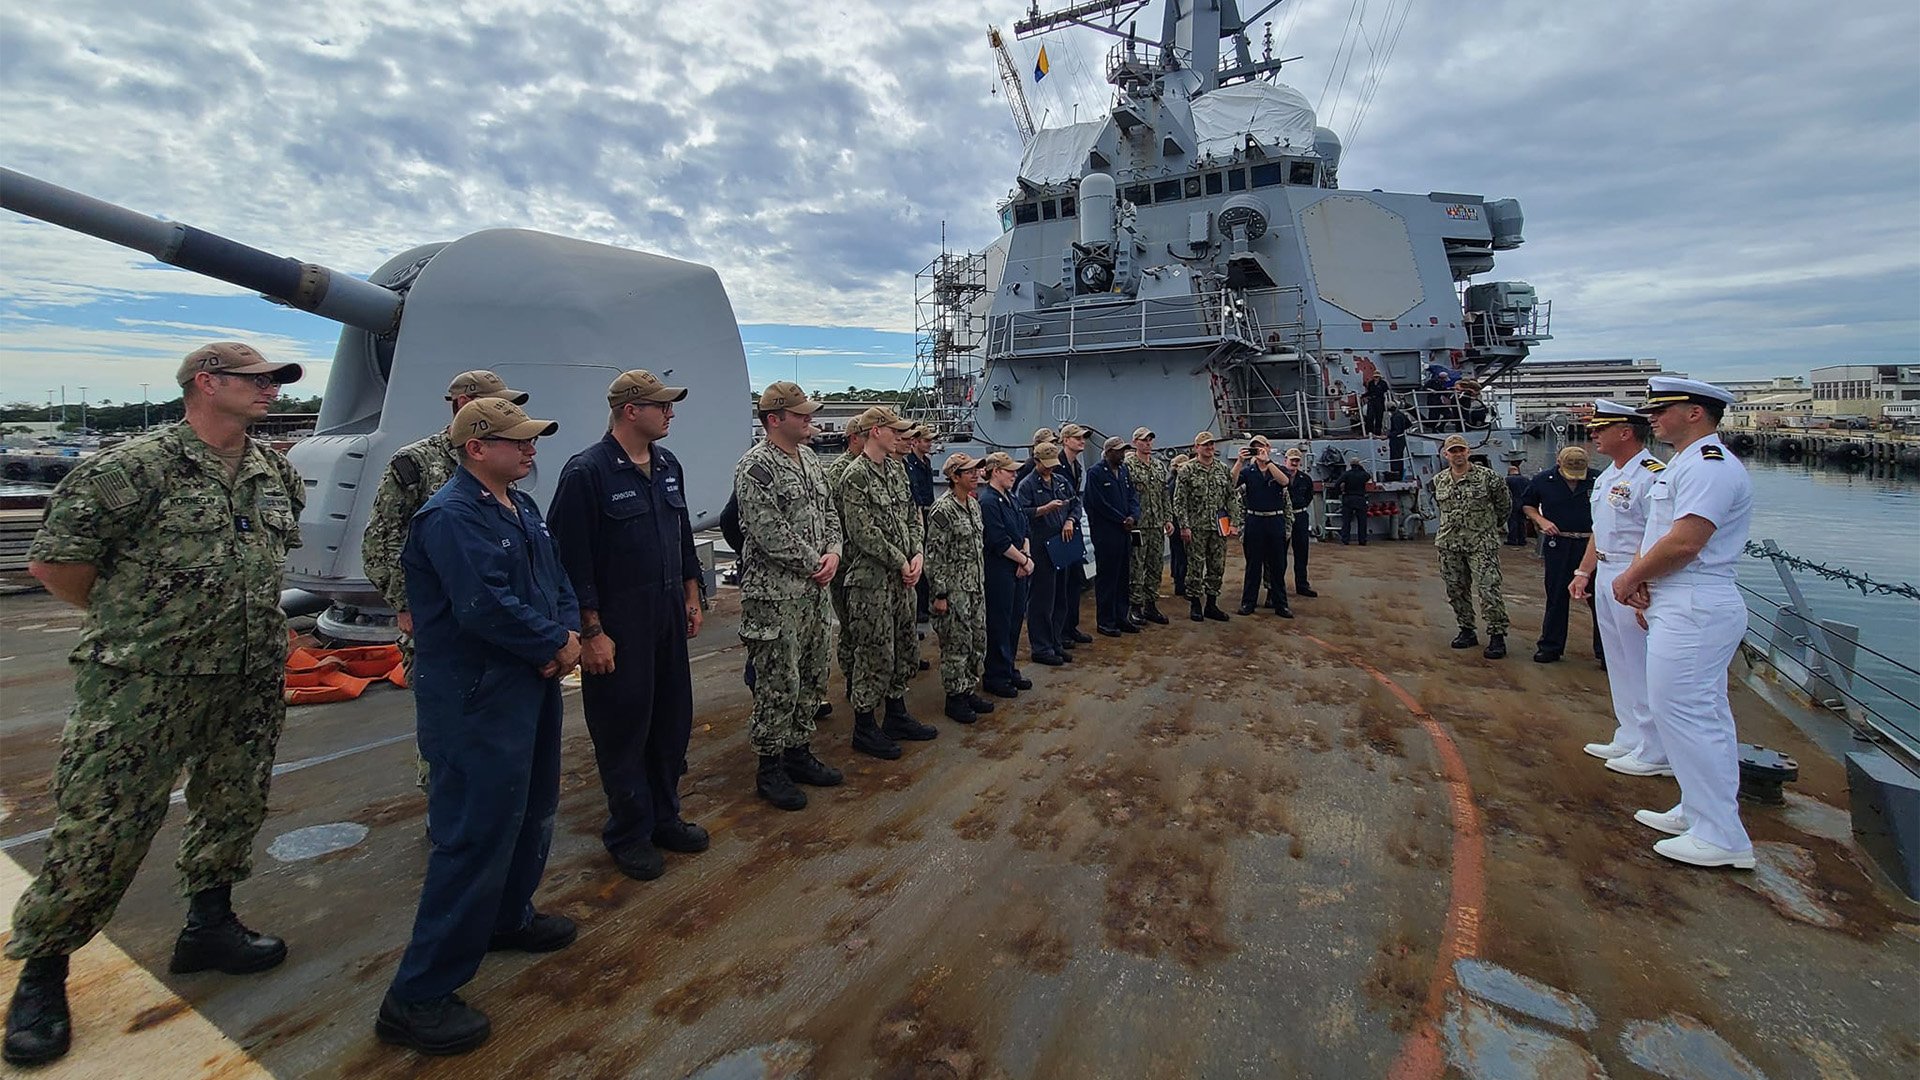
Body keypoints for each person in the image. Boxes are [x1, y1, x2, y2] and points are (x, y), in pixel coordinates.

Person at [5, 343, 305, 1068]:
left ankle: (210, 924)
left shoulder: (274, 471)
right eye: (257, 379)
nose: (270, 389)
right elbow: (55, 564)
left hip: (247, 673)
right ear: (207, 382)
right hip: (144, 682)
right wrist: (137, 626)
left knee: (232, 805)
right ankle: (43, 973)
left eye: (274, 381)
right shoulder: (132, 468)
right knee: (103, 825)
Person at [377, 397, 580, 1055]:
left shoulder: (521, 507)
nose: (531, 450)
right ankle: (417, 995)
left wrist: (566, 634)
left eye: (531, 440)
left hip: (528, 684)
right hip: (476, 698)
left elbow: (556, 580)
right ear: (476, 448)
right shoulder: (450, 516)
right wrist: (554, 642)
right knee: (474, 833)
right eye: (518, 441)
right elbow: (483, 604)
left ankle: (506, 917)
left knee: (532, 811)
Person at [547, 370, 706, 881]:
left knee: (671, 722)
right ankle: (629, 832)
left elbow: (682, 537)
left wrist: (691, 595)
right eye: (662, 405)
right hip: (619, 627)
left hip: (666, 618)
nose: (671, 413)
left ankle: (665, 816)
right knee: (623, 731)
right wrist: (591, 632)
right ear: (631, 410)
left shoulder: (667, 464)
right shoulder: (587, 473)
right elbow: (570, 562)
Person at [1609, 377, 1755, 870]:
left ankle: (1721, 836)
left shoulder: (1710, 466)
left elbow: (1687, 541)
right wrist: (1644, 582)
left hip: (1695, 602)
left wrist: (1631, 577)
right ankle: (1699, 810)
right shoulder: (1683, 464)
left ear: (1695, 413)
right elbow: (1660, 535)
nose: (1651, 416)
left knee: (1689, 713)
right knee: (1692, 712)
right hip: (1678, 597)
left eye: (1662, 408)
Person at [732, 382, 845, 811]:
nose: (809, 419)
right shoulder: (756, 467)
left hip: (813, 593)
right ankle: (770, 765)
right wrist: (816, 562)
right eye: (801, 414)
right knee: (779, 682)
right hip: (775, 597)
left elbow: (829, 512)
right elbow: (768, 532)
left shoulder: (811, 460)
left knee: (813, 676)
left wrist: (833, 552)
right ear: (774, 420)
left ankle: (799, 750)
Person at [1570, 400, 1666, 772]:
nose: (1593, 434)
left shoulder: (1652, 476)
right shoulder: (1609, 476)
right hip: (1608, 571)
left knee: (1640, 662)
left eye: (1601, 429)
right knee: (1618, 659)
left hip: (1634, 573)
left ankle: (1654, 747)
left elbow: (1657, 536)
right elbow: (1601, 530)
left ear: (1626, 432)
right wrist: (1583, 572)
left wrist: (1641, 581)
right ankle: (1629, 735)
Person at [838, 406, 934, 756]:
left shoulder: (896, 470)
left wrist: (917, 553)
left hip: (902, 579)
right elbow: (862, 533)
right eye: (895, 430)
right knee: (874, 652)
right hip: (871, 581)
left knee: (904, 646)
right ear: (876, 431)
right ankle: (865, 726)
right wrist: (900, 560)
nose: (901, 436)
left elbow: (912, 515)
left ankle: (896, 713)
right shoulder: (854, 476)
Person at [926, 453, 997, 723]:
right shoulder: (943, 510)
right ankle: (954, 697)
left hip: (974, 587)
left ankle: (968, 688)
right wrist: (940, 594)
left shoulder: (973, 505)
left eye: (977, 470)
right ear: (955, 477)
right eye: (969, 472)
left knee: (977, 640)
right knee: (956, 644)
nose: (976, 475)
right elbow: (935, 555)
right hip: (954, 591)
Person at [1430, 433, 1510, 659]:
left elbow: (1504, 506)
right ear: (1445, 455)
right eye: (1453, 451)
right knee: (1455, 589)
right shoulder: (1439, 480)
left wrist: (1488, 528)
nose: (1458, 454)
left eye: (1461, 450)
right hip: (1449, 544)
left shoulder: (1489, 478)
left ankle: (1497, 635)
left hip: (1481, 543)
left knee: (1488, 589)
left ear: (1468, 452)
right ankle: (1466, 629)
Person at [1521, 445, 1602, 665]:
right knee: (1556, 596)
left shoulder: (1599, 479)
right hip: (1559, 543)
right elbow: (1527, 505)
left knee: (1599, 599)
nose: (1574, 478)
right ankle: (1550, 646)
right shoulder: (1542, 480)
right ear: (1559, 463)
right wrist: (1541, 521)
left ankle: (1604, 651)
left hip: (1590, 543)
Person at [1016, 441, 1081, 664]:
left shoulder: (1060, 481)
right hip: (1041, 546)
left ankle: (1055, 641)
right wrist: (1044, 509)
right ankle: (1041, 647)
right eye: (1047, 464)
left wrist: (1070, 520)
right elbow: (1021, 513)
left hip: (1062, 543)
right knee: (1042, 599)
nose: (1051, 468)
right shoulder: (1027, 485)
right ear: (1037, 461)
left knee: (1061, 596)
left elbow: (1075, 503)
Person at [977, 453, 1035, 699]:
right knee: (999, 623)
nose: (1014, 474)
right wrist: (1024, 560)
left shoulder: (1010, 497)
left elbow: (1024, 528)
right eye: (1009, 470)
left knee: (1014, 620)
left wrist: (1025, 556)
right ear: (996, 471)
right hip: (1000, 569)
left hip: (1017, 566)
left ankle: (1008, 667)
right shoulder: (988, 502)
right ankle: (996, 675)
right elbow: (998, 540)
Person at [826, 413, 872, 700]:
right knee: (849, 626)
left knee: (863, 625)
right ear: (854, 438)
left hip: (861, 563)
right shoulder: (840, 472)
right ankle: (852, 678)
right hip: (845, 563)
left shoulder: (868, 468)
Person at [1172, 432, 1241, 622]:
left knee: (1217, 566)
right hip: (1196, 527)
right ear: (1197, 448)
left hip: (1219, 527)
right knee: (1195, 567)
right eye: (1205, 445)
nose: (1209, 448)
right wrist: (1184, 526)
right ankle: (1195, 604)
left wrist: (1234, 522)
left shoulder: (1222, 469)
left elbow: (1231, 497)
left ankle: (1211, 604)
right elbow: (1179, 501)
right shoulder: (1187, 470)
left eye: (1211, 444)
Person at [1084, 436, 1141, 636]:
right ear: (1108, 452)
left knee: (1123, 577)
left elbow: (1132, 496)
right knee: (1107, 578)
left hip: (1124, 532)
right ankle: (1106, 621)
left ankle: (1121, 616)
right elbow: (1097, 503)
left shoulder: (1124, 471)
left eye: (1124, 450)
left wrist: (1133, 516)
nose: (1122, 454)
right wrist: (1121, 519)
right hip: (1106, 534)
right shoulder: (1095, 473)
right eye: (1119, 451)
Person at [1233, 435, 1294, 617]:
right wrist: (1239, 462)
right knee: (1253, 565)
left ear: (1268, 447)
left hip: (1275, 520)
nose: (1259, 450)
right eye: (1255, 447)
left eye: (1261, 446)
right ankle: (1248, 603)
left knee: (1277, 565)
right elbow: (1231, 483)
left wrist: (1267, 462)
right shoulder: (1248, 471)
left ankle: (1280, 604)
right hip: (1255, 520)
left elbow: (1285, 481)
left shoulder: (1278, 469)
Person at [1123, 427, 1173, 625]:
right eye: (1144, 440)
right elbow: (1126, 495)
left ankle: (1151, 604)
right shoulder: (1128, 466)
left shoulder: (1159, 466)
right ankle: (1135, 606)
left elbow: (1164, 494)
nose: (1148, 443)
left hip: (1156, 524)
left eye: (1150, 440)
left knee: (1155, 564)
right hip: (1138, 526)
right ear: (1135, 442)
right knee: (1136, 564)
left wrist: (1168, 518)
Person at [1056, 424, 1094, 648]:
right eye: (1077, 437)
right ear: (1066, 440)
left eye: (1083, 438)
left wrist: (1073, 517)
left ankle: (1071, 626)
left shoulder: (1076, 467)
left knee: (1074, 581)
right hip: (1059, 531)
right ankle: (1060, 631)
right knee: (1060, 585)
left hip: (1073, 528)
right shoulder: (1057, 466)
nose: (1082, 441)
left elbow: (1075, 500)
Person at [903, 424, 937, 622]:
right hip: (919, 513)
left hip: (928, 512)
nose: (930, 444)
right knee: (918, 558)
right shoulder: (910, 464)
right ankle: (919, 608)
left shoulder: (926, 462)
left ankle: (924, 605)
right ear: (915, 442)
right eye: (926, 440)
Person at [1278, 448, 1318, 598]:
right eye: (1292, 460)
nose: (1294, 463)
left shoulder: (1305, 479)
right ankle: (1278, 586)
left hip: (1300, 516)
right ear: (1285, 460)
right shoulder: (1279, 477)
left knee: (1302, 552)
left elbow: (1309, 496)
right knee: (1280, 553)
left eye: (1297, 461)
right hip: (1283, 517)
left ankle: (1302, 585)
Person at [1333, 455, 1372, 546]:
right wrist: (1362, 468)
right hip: (1360, 498)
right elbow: (1368, 476)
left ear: (1350, 465)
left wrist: (1339, 492)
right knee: (1362, 521)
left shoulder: (1347, 474)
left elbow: (1337, 483)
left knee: (1346, 521)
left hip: (1348, 497)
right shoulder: (1363, 474)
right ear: (1359, 465)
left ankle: (1345, 539)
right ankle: (1362, 540)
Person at [1167, 454, 1192, 598]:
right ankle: (1181, 584)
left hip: (1176, 523)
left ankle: (1179, 581)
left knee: (1177, 554)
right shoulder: (1176, 483)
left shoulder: (1171, 481)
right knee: (1182, 555)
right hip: (1179, 523)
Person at [1504, 463, 1531, 546]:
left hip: (1513, 502)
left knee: (1512, 521)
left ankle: (1512, 539)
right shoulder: (1526, 479)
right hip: (1523, 503)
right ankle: (1522, 540)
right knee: (1522, 521)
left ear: (1509, 471)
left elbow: (1504, 492)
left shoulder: (1507, 479)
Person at [1386, 402, 1412, 480]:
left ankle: (1395, 474)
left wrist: (1388, 435)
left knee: (1395, 456)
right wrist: (1402, 428)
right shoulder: (1401, 414)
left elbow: (1397, 430)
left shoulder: (1395, 417)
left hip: (1396, 439)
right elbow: (1409, 424)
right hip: (1402, 438)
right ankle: (1400, 473)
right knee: (1400, 456)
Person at [1363, 372, 1390, 437]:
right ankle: (1370, 432)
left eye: (1377, 377)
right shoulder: (1371, 383)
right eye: (1375, 377)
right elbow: (1369, 392)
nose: (1376, 378)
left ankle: (1378, 432)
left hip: (1379, 401)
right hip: (1372, 401)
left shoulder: (1383, 383)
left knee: (1379, 417)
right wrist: (1363, 396)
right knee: (1370, 417)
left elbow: (1386, 391)